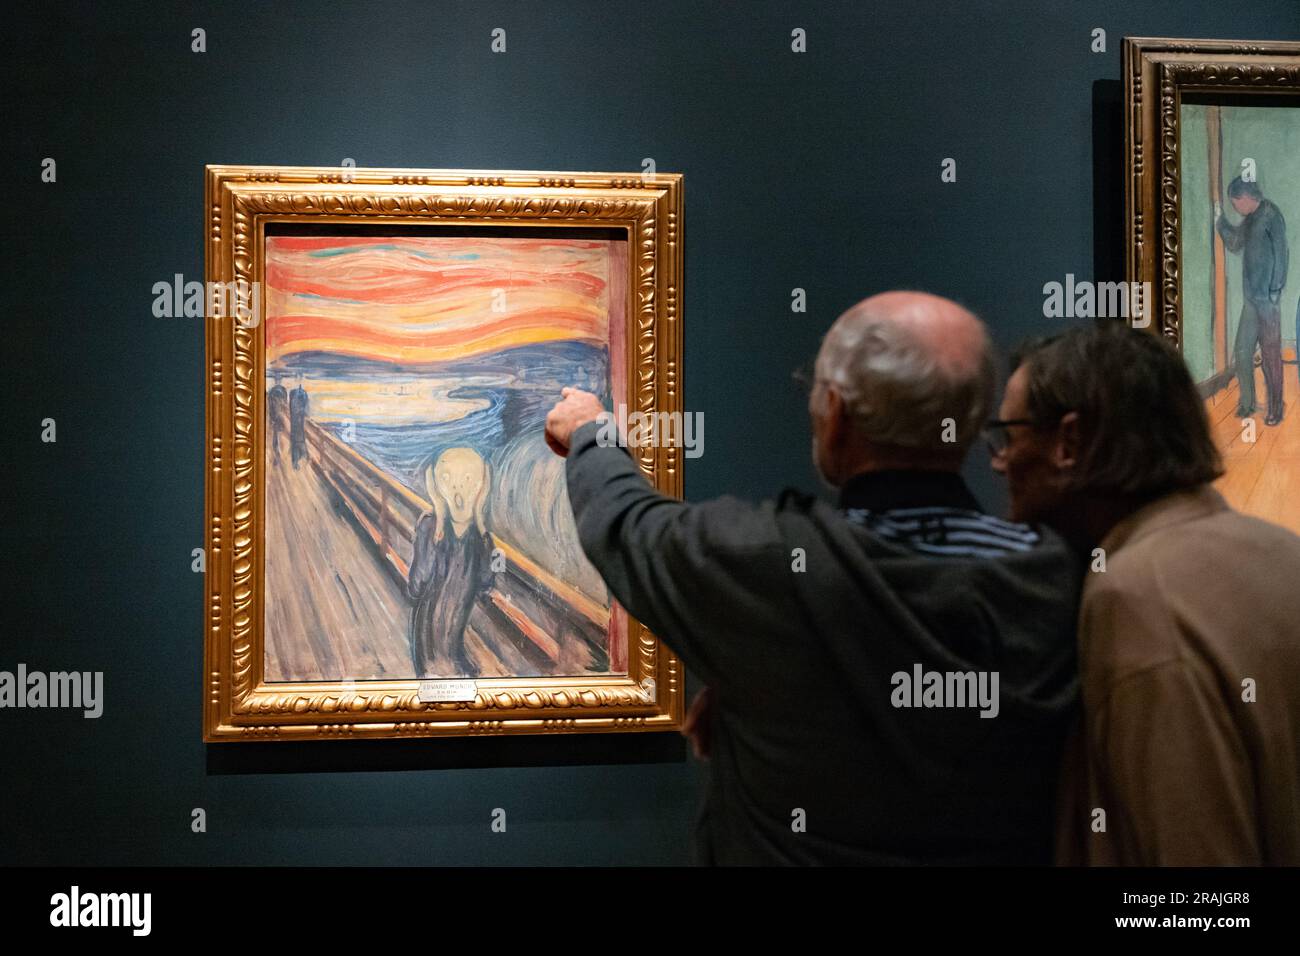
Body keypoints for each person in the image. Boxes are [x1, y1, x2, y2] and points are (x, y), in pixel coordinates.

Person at [544, 291, 1081, 865]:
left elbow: (627, 525)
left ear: (837, 411)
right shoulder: (1052, 576)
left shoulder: (763, 561)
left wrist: (592, 432)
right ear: (974, 421)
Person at [992, 320, 1300, 865]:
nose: (999, 460)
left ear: (1067, 442)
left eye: (1008, 435)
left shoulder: (1136, 594)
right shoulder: (1280, 551)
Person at [407, 448, 494, 678]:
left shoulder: (478, 537)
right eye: (447, 479)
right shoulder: (429, 527)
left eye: (469, 480)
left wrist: (481, 520)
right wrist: (437, 520)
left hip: (455, 644)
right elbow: (416, 587)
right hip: (428, 643)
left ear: (481, 487)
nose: (459, 491)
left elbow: (486, 582)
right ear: (436, 485)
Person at [1216, 176, 1288, 425]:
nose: (1235, 207)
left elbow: (1282, 252)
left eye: (1235, 202)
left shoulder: (1271, 214)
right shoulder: (1248, 221)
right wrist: (1221, 222)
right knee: (1243, 350)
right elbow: (1234, 243)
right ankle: (1247, 404)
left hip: (1267, 301)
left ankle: (1276, 408)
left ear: (1246, 197)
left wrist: (1275, 290)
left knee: (1270, 357)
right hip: (1250, 302)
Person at [267, 371, 289, 464]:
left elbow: (283, 403)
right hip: (278, 415)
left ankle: (279, 455)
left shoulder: (274, 390)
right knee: (278, 435)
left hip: (278, 415)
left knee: (278, 435)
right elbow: (284, 403)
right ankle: (278, 455)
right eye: (277, 379)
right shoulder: (280, 390)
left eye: (278, 379)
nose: (278, 381)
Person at [289, 375, 309, 469]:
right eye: (299, 378)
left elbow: (306, 409)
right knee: (296, 442)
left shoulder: (303, 393)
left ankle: (297, 460)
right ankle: (295, 462)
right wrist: (301, 411)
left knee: (298, 441)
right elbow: (293, 408)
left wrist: (303, 412)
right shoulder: (294, 393)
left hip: (299, 423)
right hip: (296, 423)